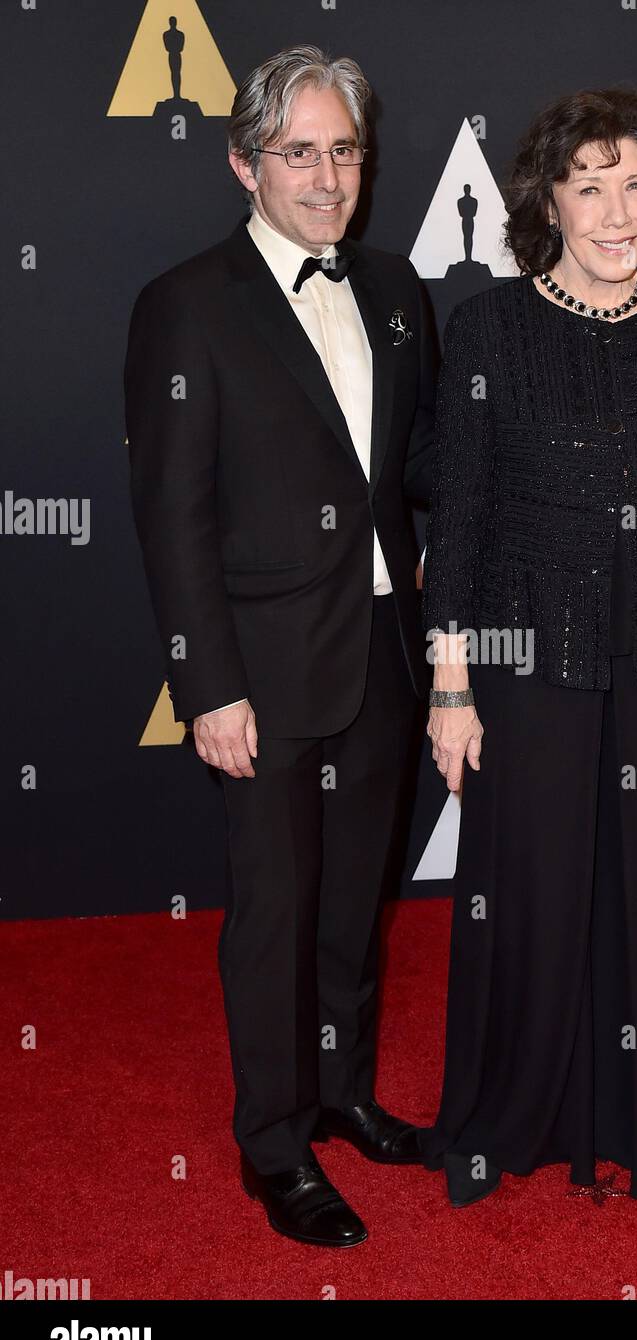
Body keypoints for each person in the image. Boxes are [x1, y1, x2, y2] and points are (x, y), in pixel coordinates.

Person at [419, 86, 637, 1208]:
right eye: (590, 186)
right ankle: (519, 1108)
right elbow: (461, 522)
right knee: (529, 892)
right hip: (527, 668)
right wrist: (451, 686)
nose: (617, 212)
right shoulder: (489, 328)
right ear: (548, 201)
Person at [124, 45, 437, 1247]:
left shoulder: (399, 292)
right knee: (274, 909)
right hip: (259, 668)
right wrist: (209, 686)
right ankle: (274, 1143)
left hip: (381, 655)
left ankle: (344, 1089)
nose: (325, 176)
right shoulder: (185, 304)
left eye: (343, 150)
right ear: (245, 162)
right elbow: (173, 518)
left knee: (354, 901)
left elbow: (414, 479)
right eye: (299, 151)